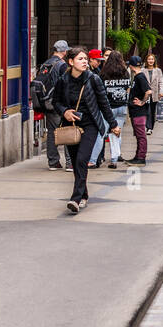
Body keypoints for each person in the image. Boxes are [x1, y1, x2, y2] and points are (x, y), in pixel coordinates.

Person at [52, 46, 116, 214]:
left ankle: (75, 198)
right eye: (80, 59)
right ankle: (84, 194)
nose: (84, 62)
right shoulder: (62, 80)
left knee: (82, 160)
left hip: (90, 125)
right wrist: (64, 111)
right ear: (71, 62)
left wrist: (113, 124)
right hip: (71, 125)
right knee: (75, 162)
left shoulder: (93, 79)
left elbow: (103, 103)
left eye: (86, 59)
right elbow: (55, 102)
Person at [89, 51, 129, 168]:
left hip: (108, 108)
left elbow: (100, 90)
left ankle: (92, 160)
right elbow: (127, 88)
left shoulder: (104, 73)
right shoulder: (125, 73)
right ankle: (114, 159)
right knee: (116, 133)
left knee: (101, 133)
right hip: (122, 107)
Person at [37, 40, 71, 171]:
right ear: (63, 51)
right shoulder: (62, 65)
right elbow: (65, 84)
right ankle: (69, 162)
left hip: (46, 102)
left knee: (52, 132)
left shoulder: (46, 63)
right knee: (67, 130)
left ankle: (53, 162)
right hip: (58, 102)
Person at [122, 55, 150, 166]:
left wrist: (142, 102)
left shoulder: (140, 77)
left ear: (131, 66)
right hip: (136, 111)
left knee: (141, 135)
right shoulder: (138, 76)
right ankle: (138, 156)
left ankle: (141, 157)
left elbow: (148, 91)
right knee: (139, 135)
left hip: (139, 111)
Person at [143, 53, 163, 136]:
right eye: (149, 59)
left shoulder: (158, 70)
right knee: (147, 110)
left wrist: (161, 91)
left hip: (154, 93)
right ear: (146, 60)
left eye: (152, 59)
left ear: (154, 60)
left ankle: (150, 127)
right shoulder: (142, 70)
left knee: (152, 111)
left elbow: (161, 82)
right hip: (145, 94)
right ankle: (148, 127)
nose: (150, 61)